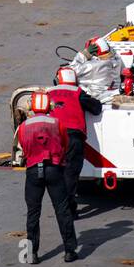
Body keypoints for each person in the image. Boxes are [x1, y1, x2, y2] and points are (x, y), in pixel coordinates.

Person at [15, 92, 78, 263]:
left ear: (31, 107)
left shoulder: (23, 126)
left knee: (33, 213)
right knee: (62, 209)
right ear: (49, 106)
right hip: (54, 169)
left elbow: (22, 146)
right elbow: (64, 143)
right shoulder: (57, 123)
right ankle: (70, 250)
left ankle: (31, 253)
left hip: (33, 170)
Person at [47, 66, 103, 219]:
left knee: (55, 173)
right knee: (70, 174)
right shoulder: (78, 93)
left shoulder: (49, 92)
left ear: (57, 79)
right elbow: (96, 108)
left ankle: (60, 207)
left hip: (52, 136)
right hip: (73, 137)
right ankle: (69, 210)